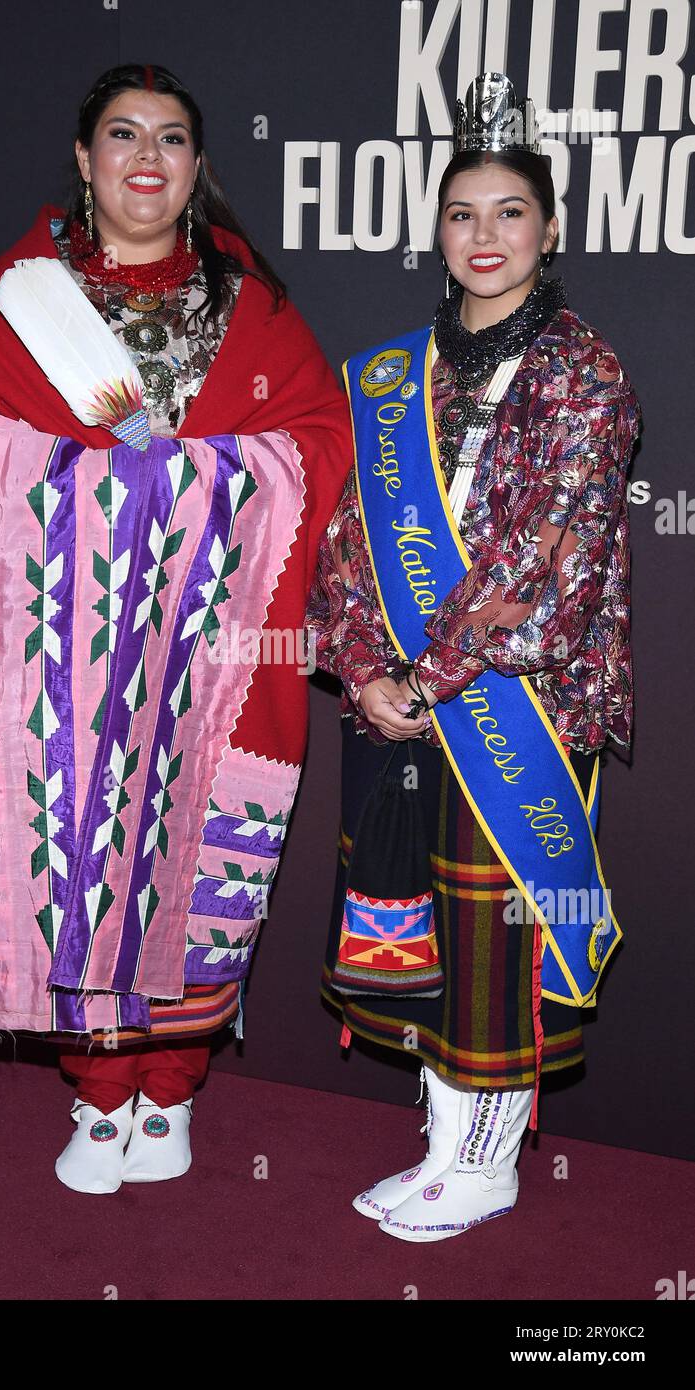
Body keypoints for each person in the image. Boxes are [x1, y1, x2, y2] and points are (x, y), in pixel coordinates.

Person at [0, 63, 352, 1194]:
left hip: (207, 649)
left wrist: (188, 483)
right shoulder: (16, 298)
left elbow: (314, 444)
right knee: (77, 847)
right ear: (87, 159)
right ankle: (100, 1093)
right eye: (122, 134)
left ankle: (174, 1082)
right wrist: (97, 485)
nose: (146, 156)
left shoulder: (251, 306)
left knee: (187, 848)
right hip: (60, 657)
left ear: (197, 168)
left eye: (172, 138)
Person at [305, 72, 641, 1241]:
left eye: (509, 212)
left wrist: (423, 677)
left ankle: (488, 1161)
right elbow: (349, 537)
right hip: (401, 702)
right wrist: (361, 664)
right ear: (435, 231)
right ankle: (447, 1145)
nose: (483, 235)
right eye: (461, 213)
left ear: (549, 232)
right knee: (434, 929)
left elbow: (548, 566)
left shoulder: (585, 376)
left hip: (520, 705)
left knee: (499, 933)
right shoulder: (396, 373)